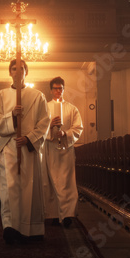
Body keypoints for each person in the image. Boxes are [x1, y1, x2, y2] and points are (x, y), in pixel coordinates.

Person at [0, 59, 50, 244]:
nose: (17, 71)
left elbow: (44, 122)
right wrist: (11, 117)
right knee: (9, 189)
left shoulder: (38, 96)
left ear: (26, 72)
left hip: (29, 150)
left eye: (21, 68)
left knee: (29, 188)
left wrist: (30, 138)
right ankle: (10, 227)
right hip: (9, 148)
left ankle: (32, 228)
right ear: (9, 72)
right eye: (13, 68)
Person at [41, 76, 84, 228]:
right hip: (50, 149)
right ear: (51, 90)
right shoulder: (44, 107)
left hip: (65, 150)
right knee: (50, 181)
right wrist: (50, 127)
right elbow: (38, 129)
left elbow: (78, 128)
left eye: (61, 88)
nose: (58, 91)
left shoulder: (72, 108)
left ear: (64, 89)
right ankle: (53, 214)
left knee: (66, 181)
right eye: (55, 88)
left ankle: (67, 215)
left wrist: (65, 134)